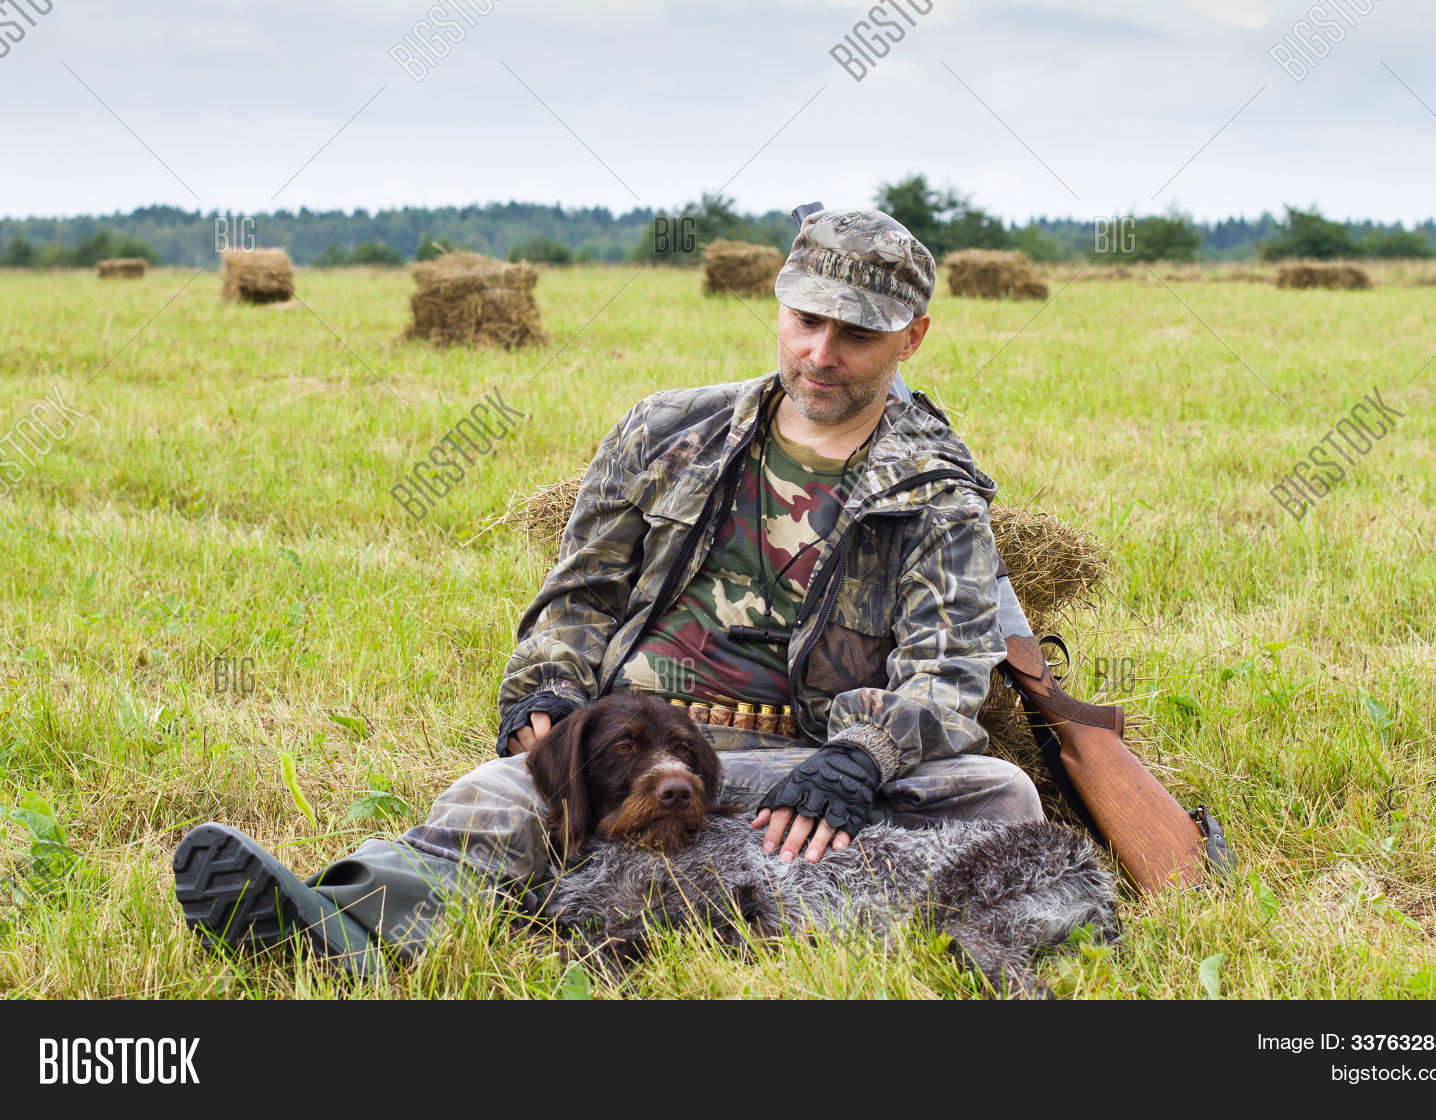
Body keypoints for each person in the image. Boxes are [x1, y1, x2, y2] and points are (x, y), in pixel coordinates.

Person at [172, 208, 1044, 978]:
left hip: (800, 763)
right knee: (493, 796)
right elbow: (578, 595)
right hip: (636, 741)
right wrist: (546, 690)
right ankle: (335, 925)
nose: (821, 354)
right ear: (778, 306)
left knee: (1000, 795)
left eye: (855, 335)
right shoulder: (667, 428)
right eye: (807, 321)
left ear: (912, 337)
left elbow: (949, 671)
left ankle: (676, 889)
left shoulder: (936, 489)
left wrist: (862, 759)